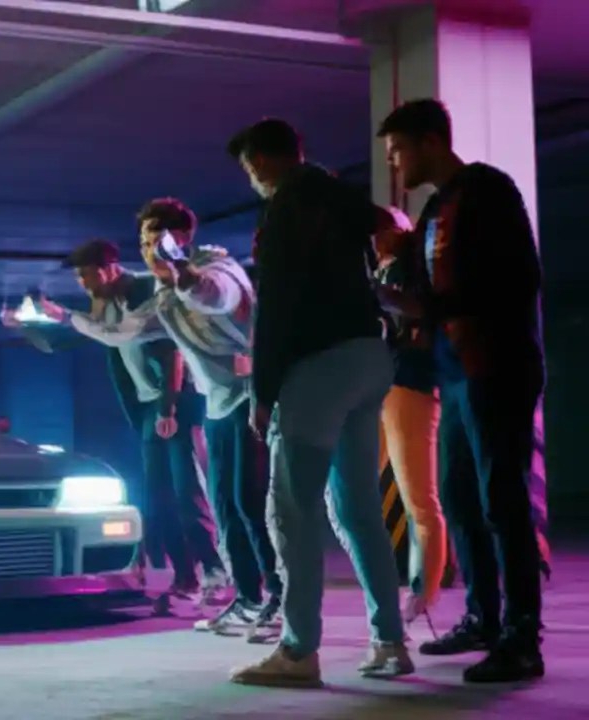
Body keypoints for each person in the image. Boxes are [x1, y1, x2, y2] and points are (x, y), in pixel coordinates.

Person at [38, 199, 282, 639]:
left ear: (182, 240)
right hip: (217, 403)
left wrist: (184, 273)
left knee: (250, 506)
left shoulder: (216, 268)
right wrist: (65, 317)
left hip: (255, 397)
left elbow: (213, 294)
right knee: (226, 507)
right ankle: (247, 599)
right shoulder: (163, 296)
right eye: (146, 241)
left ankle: (277, 598)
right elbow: (121, 332)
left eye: (159, 240)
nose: (151, 249)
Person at [224, 118, 410, 688]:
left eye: (252, 169)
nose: (253, 179)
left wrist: (263, 391)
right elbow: (391, 227)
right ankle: (390, 642)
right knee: (357, 510)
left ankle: (298, 649)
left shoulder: (285, 208)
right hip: (368, 358)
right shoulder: (342, 195)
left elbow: (276, 305)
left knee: (293, 510)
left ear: (263, 161)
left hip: (317, 369)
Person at [377, 98, 545, 682]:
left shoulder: (486, 191)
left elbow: (521, 276)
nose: (395, 165)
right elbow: (426, 293)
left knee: (503, 500)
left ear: (429, 141)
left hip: (495, 366)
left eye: (398, 151)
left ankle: (523, 639)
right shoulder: (432, 212)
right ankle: (484, 617)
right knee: (463, 498)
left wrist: (433, 305)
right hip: (453, 372)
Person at [4, 239, 227, 614]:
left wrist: (168, 406)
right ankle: (186, 579)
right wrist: (22, 327)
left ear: (108, 269)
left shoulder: (145, 289)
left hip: (174, 404)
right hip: (145, 408)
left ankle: (216, 574)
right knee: (158, 497)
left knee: (186, 489)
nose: (83, 284)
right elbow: (66, 341)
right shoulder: (104, 303)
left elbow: (169, 348)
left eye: (86, 275)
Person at [368, 205, 448, 622]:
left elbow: (420, 312)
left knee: (419, 494)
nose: (375, 238)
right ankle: (412, 587)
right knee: (376, 489)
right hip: (385, 386)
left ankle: (425, 590)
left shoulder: (411, 268)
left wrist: (378, 295)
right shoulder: (385, 270)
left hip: (409, 384)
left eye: (383, 229)